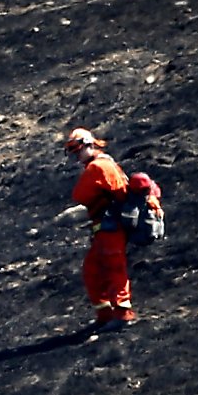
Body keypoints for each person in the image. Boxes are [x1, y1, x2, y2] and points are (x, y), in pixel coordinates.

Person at [60, 127, 135, 330]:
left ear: (89, 144)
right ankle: (105, 314)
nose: (77, 156)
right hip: (106, 228)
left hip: (110, 228)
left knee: (113, 267)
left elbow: (80, 195)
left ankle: (122, 314)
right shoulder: (106, 164)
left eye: (78, 151)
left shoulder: (97, 168)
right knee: (93, 270)